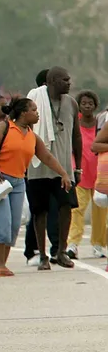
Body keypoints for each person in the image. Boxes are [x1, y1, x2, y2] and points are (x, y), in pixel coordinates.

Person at [0, 98, 72, 275]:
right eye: (33, 110)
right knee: (3, 224)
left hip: (18, 182)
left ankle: (4, 262)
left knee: (14, 226)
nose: (37, 113)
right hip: (1, 181)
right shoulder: (4, 128)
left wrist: (63, 173)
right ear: (23, 113)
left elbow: (46, 157)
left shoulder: (32, 135)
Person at [25, 67, 81, 269]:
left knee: (66, 207)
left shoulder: (71, 103)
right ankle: (42, 256)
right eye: (65, 80)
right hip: (37, 167)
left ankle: (61, 252)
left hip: (64, 169)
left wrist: (79, 167)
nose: (69, 83)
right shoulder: (34, 103)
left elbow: (76, 136)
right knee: (40, 212)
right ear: (53, 81)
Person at [70, 91, 106, 259]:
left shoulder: (100, 123)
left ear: (95, 106)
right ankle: (73, 244)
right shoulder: (74, 123)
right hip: (80, 173)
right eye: (83, 103)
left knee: (100, 211)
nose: (87, 106)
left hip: (99, 174)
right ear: (79, 105)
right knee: (77, 209)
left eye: (90, 103)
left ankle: (98, 245)